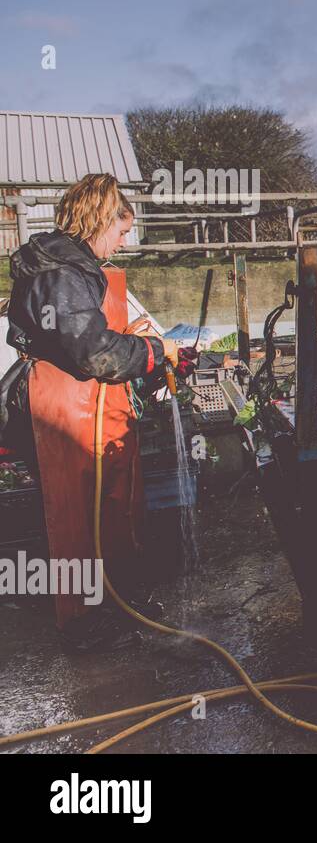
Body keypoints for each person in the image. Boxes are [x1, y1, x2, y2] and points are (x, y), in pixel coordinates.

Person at [6, 173, 178, 649]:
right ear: (100, 220)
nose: (124, 241)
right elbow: (93, 352)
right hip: (60, 401)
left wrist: (139, 345)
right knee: (73, 514)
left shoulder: (72, 264)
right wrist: (151, 351)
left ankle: (115, 599)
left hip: (87, 400)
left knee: (104, 506)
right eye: (121, 231)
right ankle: (81, 623)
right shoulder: (61, 272)